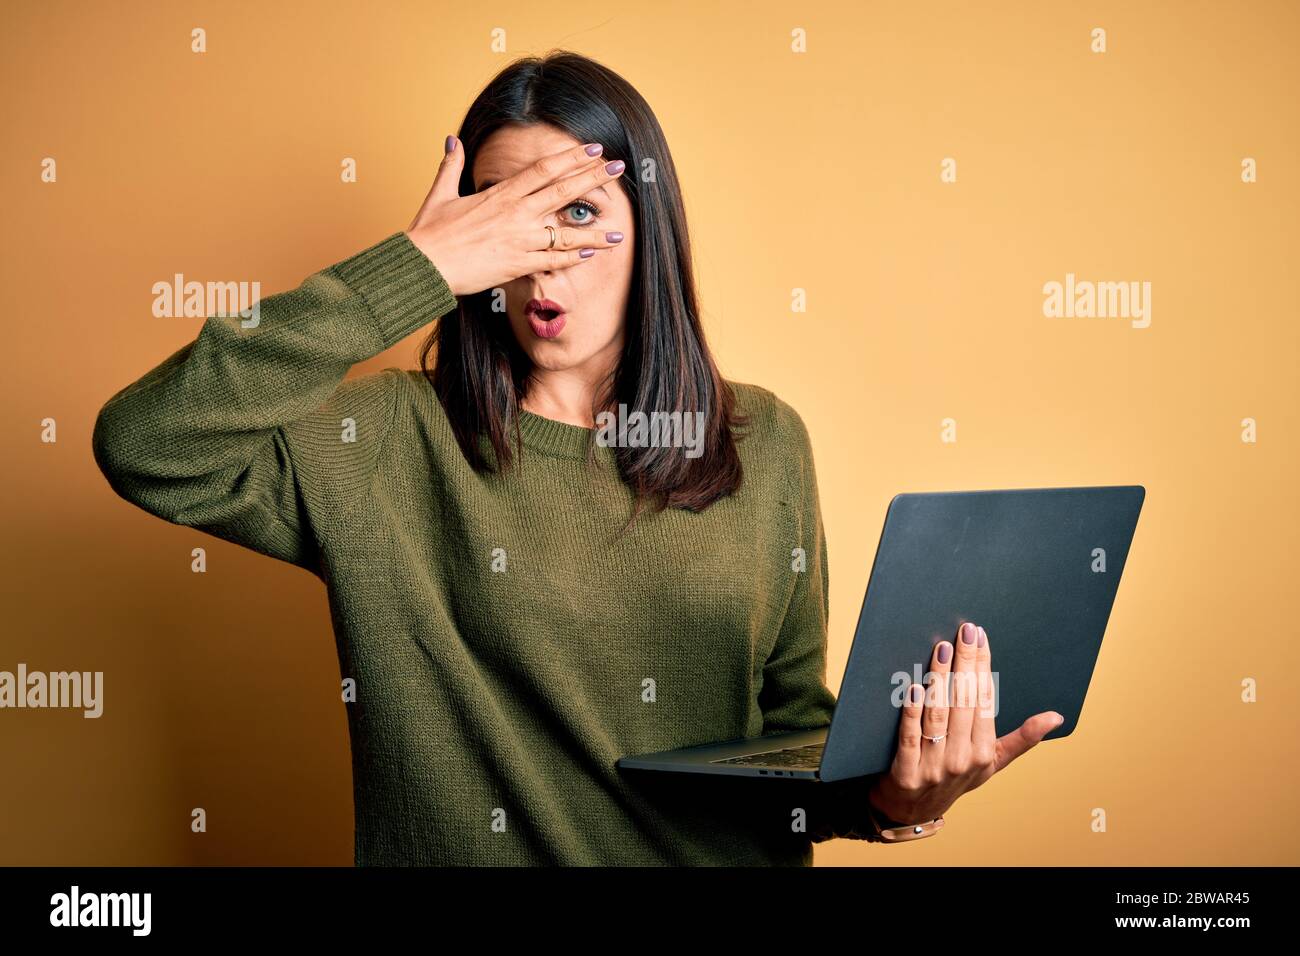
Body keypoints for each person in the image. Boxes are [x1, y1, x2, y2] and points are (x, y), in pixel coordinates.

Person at [92, 49, 1061, 866]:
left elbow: (789, 752)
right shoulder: (387, 439)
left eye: (581, 213)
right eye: (510, 219)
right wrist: (414, 269)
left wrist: (894, 795)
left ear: (650, 232)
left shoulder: (763, 442)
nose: (544, 259)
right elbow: (147, 442)